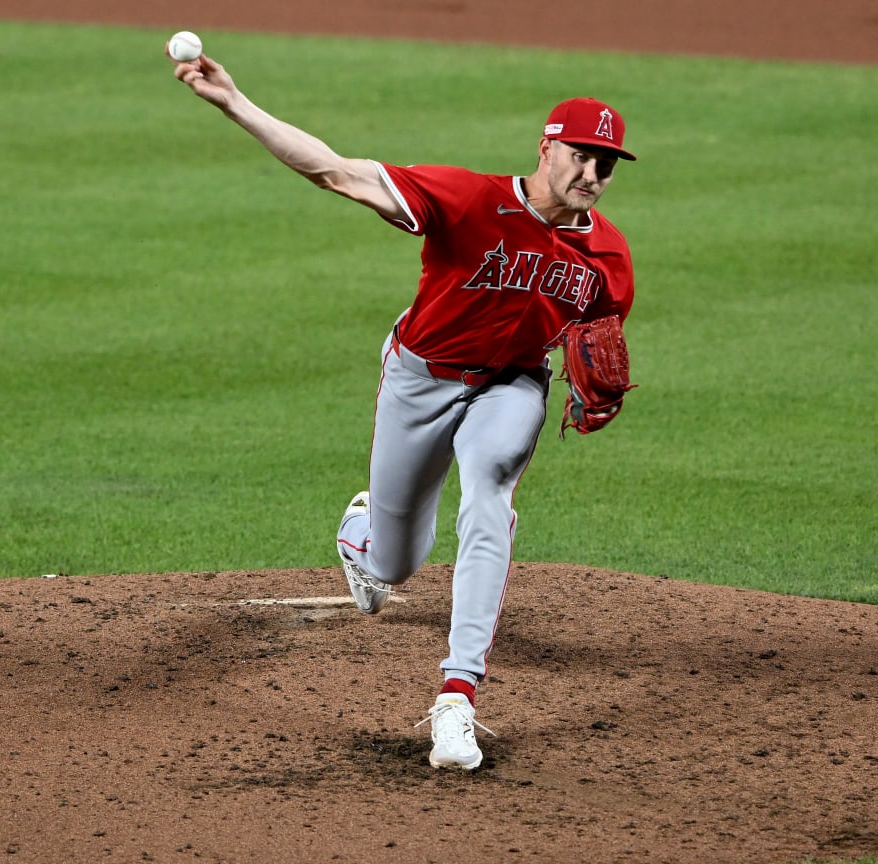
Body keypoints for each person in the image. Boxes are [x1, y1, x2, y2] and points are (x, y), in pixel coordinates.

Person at [168, 48, 637, 771]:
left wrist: (591, 386)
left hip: (510, 386)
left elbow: (594, 335)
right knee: (395, 564)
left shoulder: (608, 257)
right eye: (581, 156)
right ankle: (363, 538)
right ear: (546, 148)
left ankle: (456, 699)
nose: (592, 176)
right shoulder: (469, 199)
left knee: (490, 488)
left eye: (606, 165)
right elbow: (337, 171)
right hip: (420, 378)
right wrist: (235, 102)